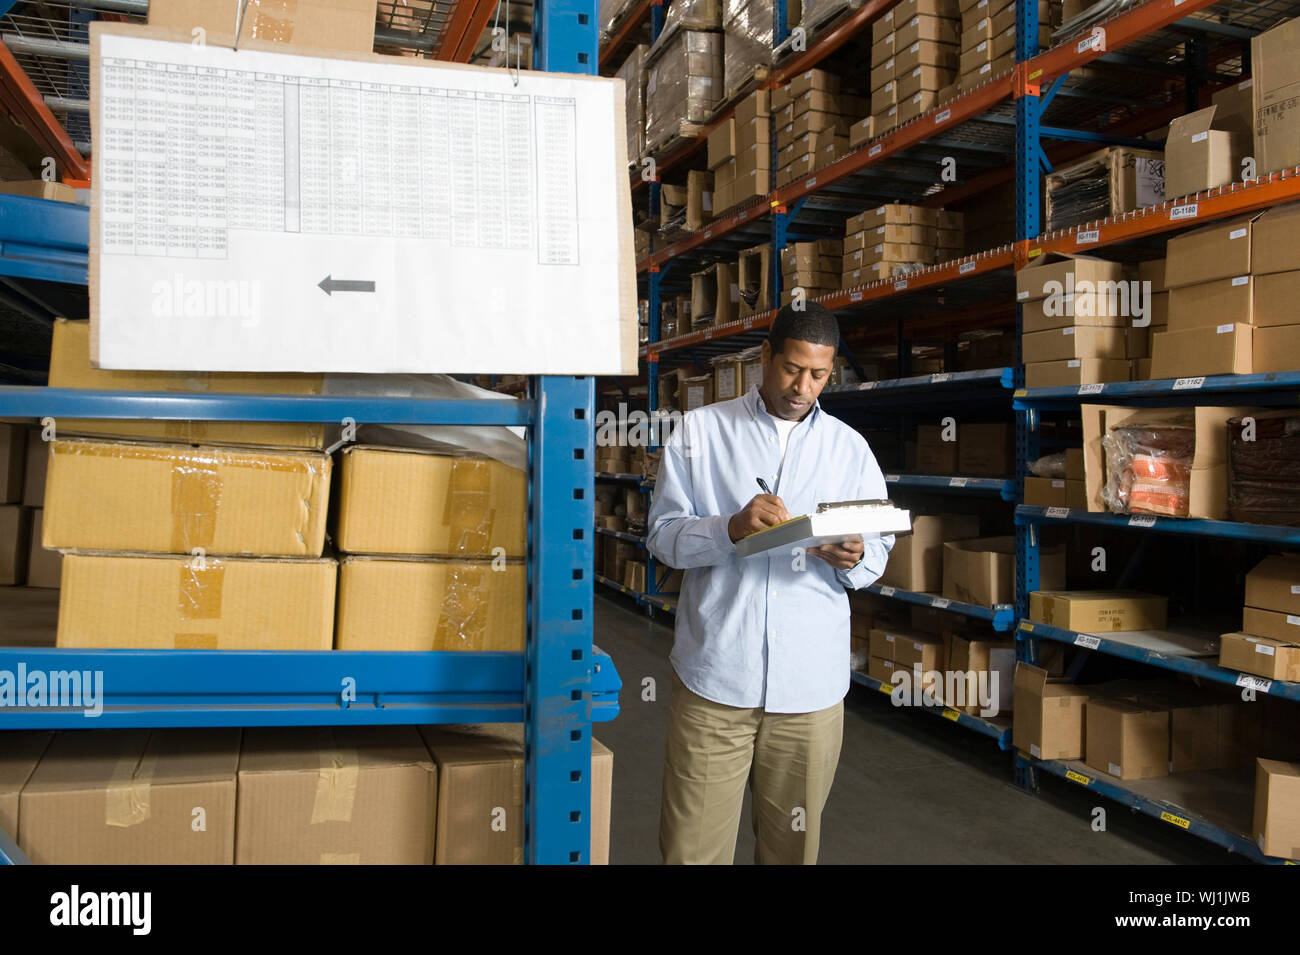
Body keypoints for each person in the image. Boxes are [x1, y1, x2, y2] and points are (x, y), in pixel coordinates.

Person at [646, 301, 894, 865]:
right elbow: (662, 537)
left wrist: (855, 554)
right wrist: (728, 527)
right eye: (791, 369)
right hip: (717, 681)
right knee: (691, 851)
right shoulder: (701, 432)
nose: (802, 387)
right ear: (765, 357)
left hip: (809, 691)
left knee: (792, 851)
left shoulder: (850, 450)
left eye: (818, 375)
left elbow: (879, 551)